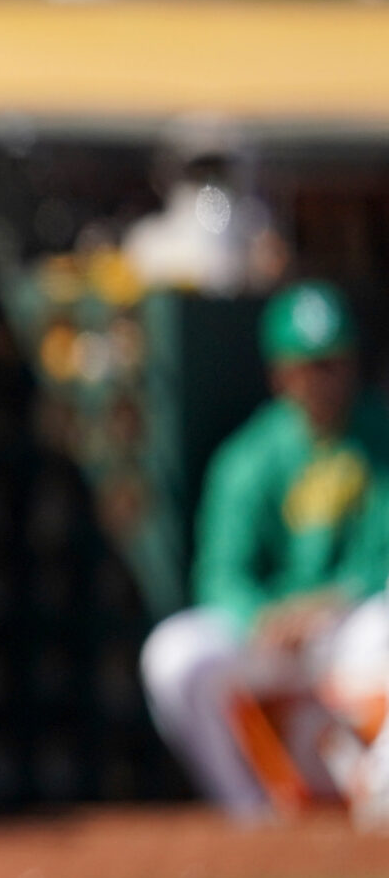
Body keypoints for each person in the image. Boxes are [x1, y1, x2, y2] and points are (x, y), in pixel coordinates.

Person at [141, 281, 389, 822]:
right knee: (174, 652)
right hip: (271, 637)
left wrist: (335, 601)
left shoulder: (381, 437)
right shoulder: (249, 459)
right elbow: (220, 573)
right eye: (310, 365)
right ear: (282, 374)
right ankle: (250, 816)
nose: (325, 380)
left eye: (335, 363)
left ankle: (381, 794)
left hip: (352, 628)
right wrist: (262, 616)